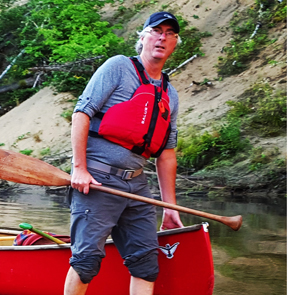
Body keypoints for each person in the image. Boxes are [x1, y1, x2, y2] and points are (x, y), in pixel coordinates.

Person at [65, 12, 185, 295]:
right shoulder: (118, 67)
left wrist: (170, 207)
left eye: (170, 33)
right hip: (98, 180)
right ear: (142, 37)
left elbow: (166, 154)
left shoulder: (171, 94)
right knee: (86, 263)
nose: (162, 37)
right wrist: (79, 168)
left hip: (137, 186)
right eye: (156, 30)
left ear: (175, 43)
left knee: (146, 265)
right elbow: (81, 114)